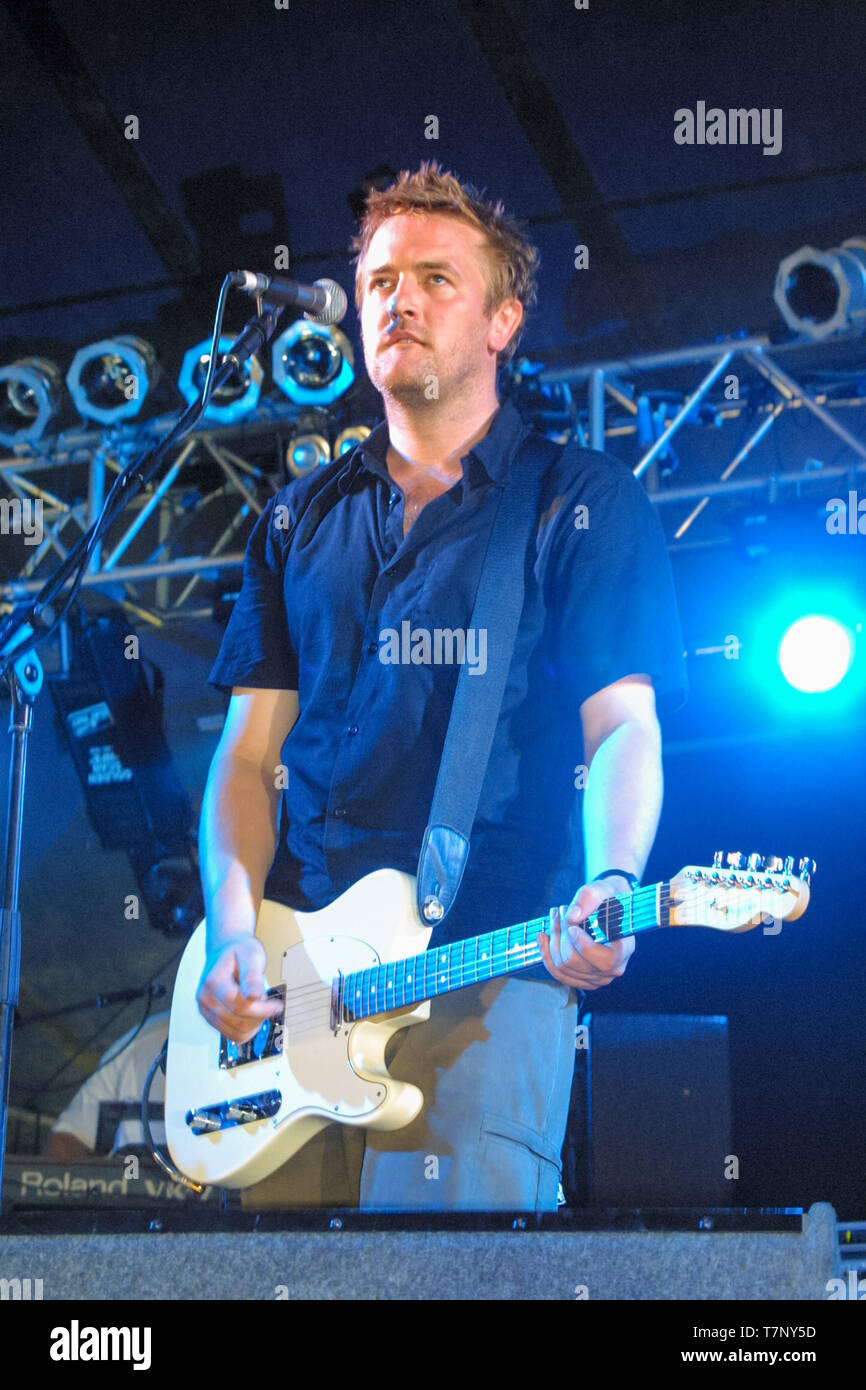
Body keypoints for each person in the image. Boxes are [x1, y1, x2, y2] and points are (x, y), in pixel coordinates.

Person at [196, 161, 686, 1210]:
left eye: (434, 278)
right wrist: (235, 931)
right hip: (294, 993)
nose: (397, 299)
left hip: (482, 970)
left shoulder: (575, 500)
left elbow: (623, 729)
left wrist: (610, 878)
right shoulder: (297, 517)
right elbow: (245, 759)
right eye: (377, 281)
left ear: (504, 319)